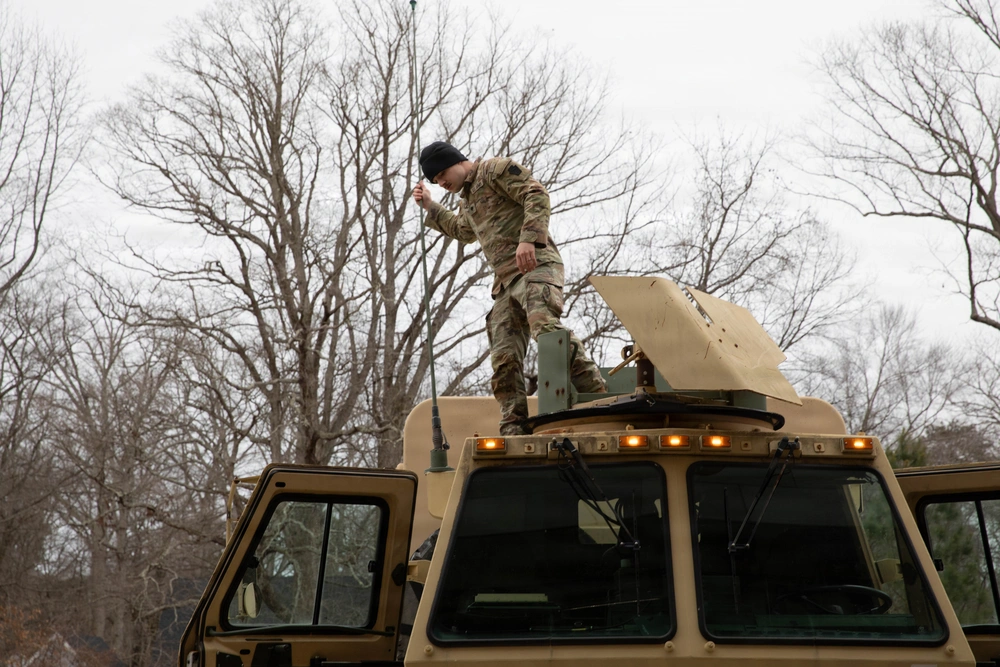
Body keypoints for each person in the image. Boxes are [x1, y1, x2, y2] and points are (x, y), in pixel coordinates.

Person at [412, 141, 607, 435]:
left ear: (456, 161)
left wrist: (528, 239)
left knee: (545, 329)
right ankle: (514, 425)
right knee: (503, 356)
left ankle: (597, 394)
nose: (442, 183)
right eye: (436, 181)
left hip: (535, 266)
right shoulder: (467, 200)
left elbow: (536, 194)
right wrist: (430, 205)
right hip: (505, 283)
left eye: (442, 175)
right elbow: (463, 231)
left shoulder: (494, 170)